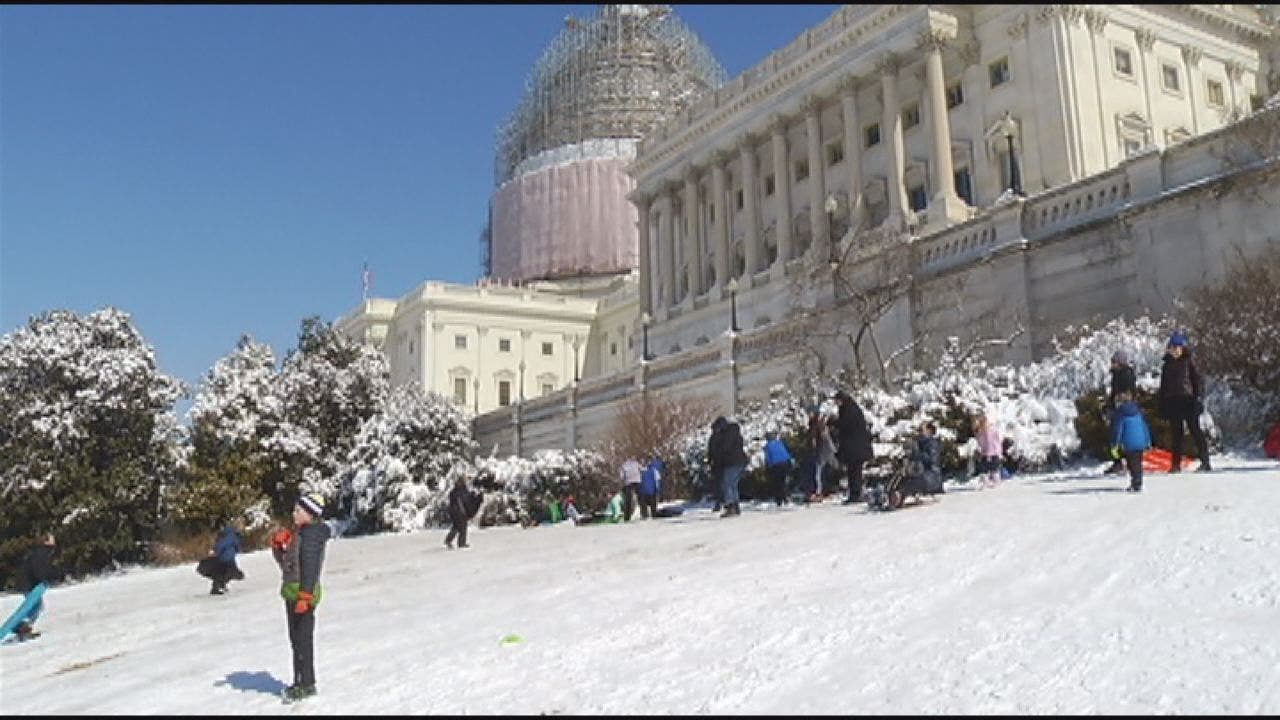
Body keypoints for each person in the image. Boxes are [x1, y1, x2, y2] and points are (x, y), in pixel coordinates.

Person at [271, 493, 332, 702]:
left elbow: (310, 568)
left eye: (298, 511)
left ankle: (306, 683)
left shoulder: (312, 535)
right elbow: (288, 566)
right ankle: (300, 681)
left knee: (302, 639)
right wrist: (279, 548)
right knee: (296, 639)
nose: (293, 514)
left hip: (301, 594)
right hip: (293, 592)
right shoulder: (300, 534)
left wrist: (305, 596)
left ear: (310, 514)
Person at [1157, 330, 1211, 473]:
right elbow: (1163, 385)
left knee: (1195, 430)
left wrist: (1198, 397)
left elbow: (1197, 380)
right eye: (1172, 347)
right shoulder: (1167, 364)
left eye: (1177, 347)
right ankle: (1175, 464)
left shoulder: (1189, 361)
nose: (1174, 350)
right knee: (1176, 433)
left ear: (1183, 348)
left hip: (1188, 400)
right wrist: (1162, 402)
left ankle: (1205, 461)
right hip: (1173, 400)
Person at [13, 533, 57, 641]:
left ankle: (24, 627)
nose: (54, 541)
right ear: (46, 542)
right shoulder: (41, 553)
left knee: (36, 606)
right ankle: (23, 627)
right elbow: (38, 569)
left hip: (28, 583)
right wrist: (43, 579)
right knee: (37, 606)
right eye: (52, 539)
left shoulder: (41, 552)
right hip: (29, 584)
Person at [833, 392, 873, 504]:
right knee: (854, 471)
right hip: (855, 447)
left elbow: (845, 425)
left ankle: (856, 494)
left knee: (854, 471)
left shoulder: (849, 410)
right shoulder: (852, 408)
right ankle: (855, 493)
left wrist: (834, 423)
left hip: (855, 447)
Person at [1111, 391, 1153, 492]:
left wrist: (1115, 443)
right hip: (1140, 442)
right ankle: (1137, 481)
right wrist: (1148, 441)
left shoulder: (1120, 415)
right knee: (1137, 463)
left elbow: (1118, 430)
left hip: (1129, 444)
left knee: (1132, 464)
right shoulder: (1138, 413)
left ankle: (1136, 483)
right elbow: (1145, 428)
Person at [1105, 351, 1138, 474]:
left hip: (1126, 409)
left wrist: (1122, 401)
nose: (1112, 364)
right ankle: (1117, 461)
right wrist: (1110, 405)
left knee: (1124, 437)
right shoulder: (1116, 374)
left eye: (1114, 362)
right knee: (1114, 438)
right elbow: (1114, 392)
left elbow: (1129, 392)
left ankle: (1127, 462)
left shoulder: (1127, 374)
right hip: (1117, 408)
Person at [709, 415, 748, 518]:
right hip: (739, 461)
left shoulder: (727, 434)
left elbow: (724, 448)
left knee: (727, 483)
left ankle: (731, 506)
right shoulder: (734, 432)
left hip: (732, 462)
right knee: (732, 484)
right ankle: (735, 505)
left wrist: (716, 457)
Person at [199, 523, 245, 595]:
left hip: (227, 559)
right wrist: (216, 551)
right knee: (228, 573)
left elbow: (232, 547)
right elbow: (224, 545)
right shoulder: (232, 536)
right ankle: (217, 587)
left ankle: (220, 585)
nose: (241, 528)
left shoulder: (230, 535)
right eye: (240, 527)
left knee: (227, 573)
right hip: (225, 559)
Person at [445, 475, 482, 549]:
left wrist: (474, 496)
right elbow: (461, 501)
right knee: (462, 527)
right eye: (465, 480)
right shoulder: (458, 490)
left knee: (457, 526)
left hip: (457, 511)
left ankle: (449, 540)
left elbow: (467, 499)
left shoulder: (461, 490)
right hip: (458, 511)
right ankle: (461, 543)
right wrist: (463, 510)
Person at [809, 408, 838, 501]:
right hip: (827, 451)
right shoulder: (822, 426)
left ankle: (819, 492)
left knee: (819, 473)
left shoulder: (818, 427)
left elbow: (819, 440)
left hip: (823, 452)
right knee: (826, 471)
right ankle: (827, 490)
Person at [762, 430, 795, 506]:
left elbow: (768, 459)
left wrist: (768, 468)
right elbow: (787, 453)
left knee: (777, 483)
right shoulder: (780, 443)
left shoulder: (767, 447)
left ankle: (779, 500)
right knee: (784, 481)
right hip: (786, 463)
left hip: (776, 465)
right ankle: (786, 497)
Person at [975, 415, 1003, 489]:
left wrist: (999, 452)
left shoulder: (993, 431)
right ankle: (985, 482)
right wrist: (980, 450)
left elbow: (998, 441)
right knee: (983, 470)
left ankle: (996, 482)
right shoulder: (980, 433)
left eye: (985, 423)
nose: (983, 425)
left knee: (994, 469)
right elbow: (980, 443)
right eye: (982, 424)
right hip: (984, 453)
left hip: (994, 453)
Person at [705, 419, 727, 512]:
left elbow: (711, 451)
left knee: (719, 484)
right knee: (720, 484)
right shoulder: (721, 436)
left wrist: (710, 461)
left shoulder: (714, 438)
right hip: (719, 463)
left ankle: (721, 502)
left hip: (718, 463)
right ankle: (721, 501)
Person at [619, 457, 643, 521]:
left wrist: (624, 480)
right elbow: (643, 469)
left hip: (629, 483)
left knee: (628, 501)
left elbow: (621, 476)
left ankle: (627, 517)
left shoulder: (624, 465)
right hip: (637, 482)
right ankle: (643, 514)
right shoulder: (636, 463)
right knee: (640, 499)